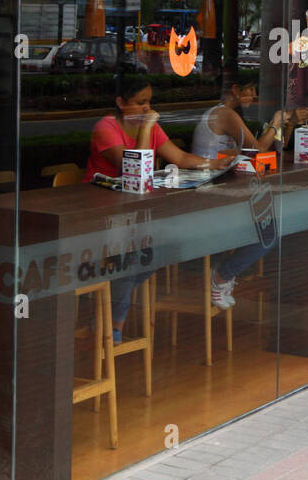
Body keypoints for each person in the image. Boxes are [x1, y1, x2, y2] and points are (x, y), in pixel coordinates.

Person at [84, 76, 223, 340]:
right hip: (103, 213)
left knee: (161, 251)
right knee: (129, 259)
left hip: (136, 211)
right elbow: (134, 167)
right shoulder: (106, 126)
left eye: (149, 101)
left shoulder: (149, 125)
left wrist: (213, 164)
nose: (148, 108)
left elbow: (179, 157)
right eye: (140, 102)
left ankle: (108, 312)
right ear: (121, 103)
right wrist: (147, 129)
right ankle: (113, 324)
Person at [192, 82, 308, 306]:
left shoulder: (229, 114)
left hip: (224, 189)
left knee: (271, 225)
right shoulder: (224, 113)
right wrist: (275, 124)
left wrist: (289, 125)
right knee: (269, 232)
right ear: (235, 90)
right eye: (250, 91)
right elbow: (257, 150)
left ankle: (227, 272)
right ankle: (222, 276)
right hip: (212, 194)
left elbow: (275, 149)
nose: (254, 96)